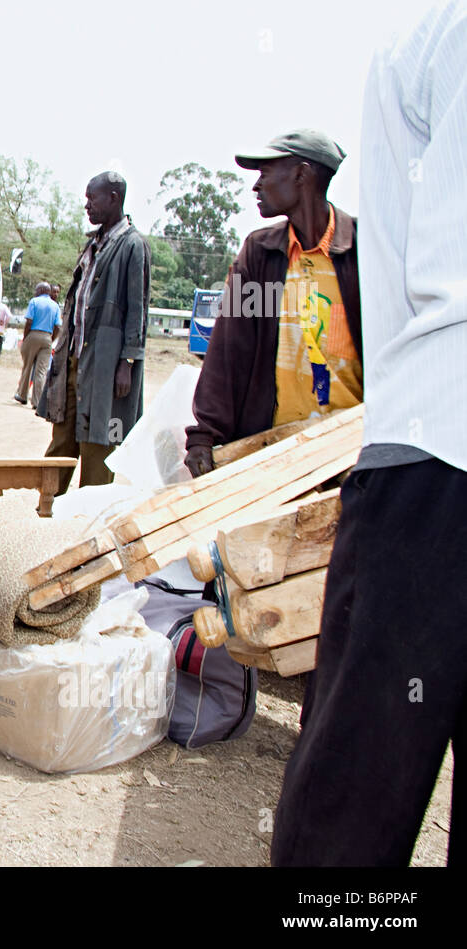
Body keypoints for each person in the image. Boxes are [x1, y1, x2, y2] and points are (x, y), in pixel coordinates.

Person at [272, 1, 467, 867]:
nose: (260, 186)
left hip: (427, 452)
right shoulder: (429, 45)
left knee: (350, 808)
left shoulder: (416, 44)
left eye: (272, 172)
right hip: (433, 438)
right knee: (352, 804)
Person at [184, 130, 361, 478]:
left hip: (352, 452)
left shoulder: (363, 250)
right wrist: (204, 435)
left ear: (301, 175)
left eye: (265, 173)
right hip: (276, 453)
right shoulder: (261, 253)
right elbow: (229, 349)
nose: (256, 185)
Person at [36, 172, 150, 495]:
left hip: (107, 367)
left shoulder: (133, 245)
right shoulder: (93, 245)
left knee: (99, 444)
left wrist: (127, 362)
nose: (87, 205)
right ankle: (47, 512)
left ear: (113, 198)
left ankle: (87, 518)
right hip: (75, 362)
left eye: (92, 198)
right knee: (62, 441)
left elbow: (137, 310)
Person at [14, 281, 60, 405]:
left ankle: (22, 395)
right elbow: (58, 326)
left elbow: (29, 322)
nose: (35, 292)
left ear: (41, 291)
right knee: (41, 371)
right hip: (47, 338)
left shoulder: (34, 301)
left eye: (37, 290)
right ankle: (37, 402)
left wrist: (26, 338)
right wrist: (50, 339)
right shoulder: (55, 306)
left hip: (33, 335)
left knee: (27, 367)